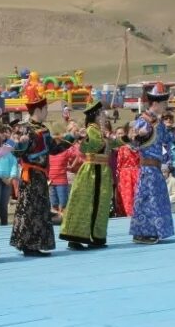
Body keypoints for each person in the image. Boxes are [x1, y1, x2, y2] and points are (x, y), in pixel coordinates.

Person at [60, 101, 114, 249]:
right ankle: (76, 237)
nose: (104, 116)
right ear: (96, 116)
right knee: (84, 203)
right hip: (92, 171)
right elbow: (88, 146)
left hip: (102, 171)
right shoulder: (91, 130)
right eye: (102, 113)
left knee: (100, 204)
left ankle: (96, 236)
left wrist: (124, 139)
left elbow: (113, 144)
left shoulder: (102, 131)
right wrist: (105, 138)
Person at [129, 83, 175, 245]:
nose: (166, 106)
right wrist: (140, 135)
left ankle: (152, 232)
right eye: (164, 103)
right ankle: (143, 233)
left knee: (155, 199)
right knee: (147, 200)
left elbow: (170, 138)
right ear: (155, 103)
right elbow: (133, 143)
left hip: (156, 168)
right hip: (147, 167)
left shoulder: (159, 122)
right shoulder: (143, 121)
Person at [10, 95, 56, 257]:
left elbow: (54, 148)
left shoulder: (44, 129)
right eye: (46, 109)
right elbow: (14, 151)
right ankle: (29, 244)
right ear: (39, 109)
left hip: (40, 175)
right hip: (30, 174)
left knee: (38, 208)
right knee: (29, 208)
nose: (47, 112)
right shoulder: (23, 128)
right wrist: (20, 143)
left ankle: (32, 244)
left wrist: (73, 138)